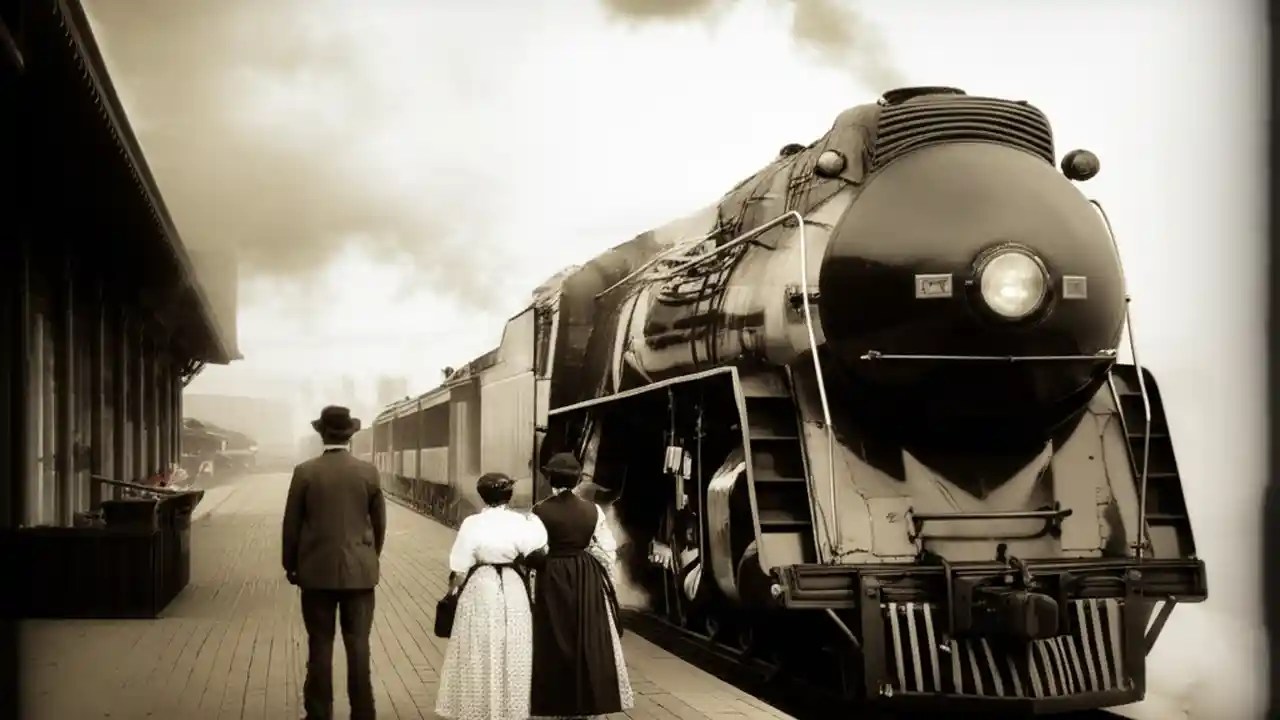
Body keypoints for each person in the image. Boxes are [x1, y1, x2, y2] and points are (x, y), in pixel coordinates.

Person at [282, 405, 387, 720]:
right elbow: (379, 524)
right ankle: (363, 712)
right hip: (360, 573)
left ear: (321, 434)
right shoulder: (368, 472)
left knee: (320, 644)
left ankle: (318, 713)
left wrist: (291, 565)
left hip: (316, 573)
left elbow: (292, 524)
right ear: (351, 435)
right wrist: (369, 557)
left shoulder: (305, 472)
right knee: (358, 646)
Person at [529, 452, 635, 719]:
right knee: (586, 635)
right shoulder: (593, 510)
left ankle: (556, 703)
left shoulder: (539, 510)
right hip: (584, 574)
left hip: (552, 574)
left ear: (551, 479)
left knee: (554, 635)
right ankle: (588, 702)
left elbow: (533, 549)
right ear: (577, 480)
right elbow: (606, 549)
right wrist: (604, 577)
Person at [435, 472, 549, 720]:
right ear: (509, 496)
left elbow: (460, 568)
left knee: (478, 649)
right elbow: (538, 551)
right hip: (513, 588)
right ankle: (510, 708)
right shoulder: (522, 522)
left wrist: (450, 594)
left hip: (481, 586)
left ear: (482, 495)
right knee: (512, 646)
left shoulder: (472, 523)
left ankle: (480, 708)